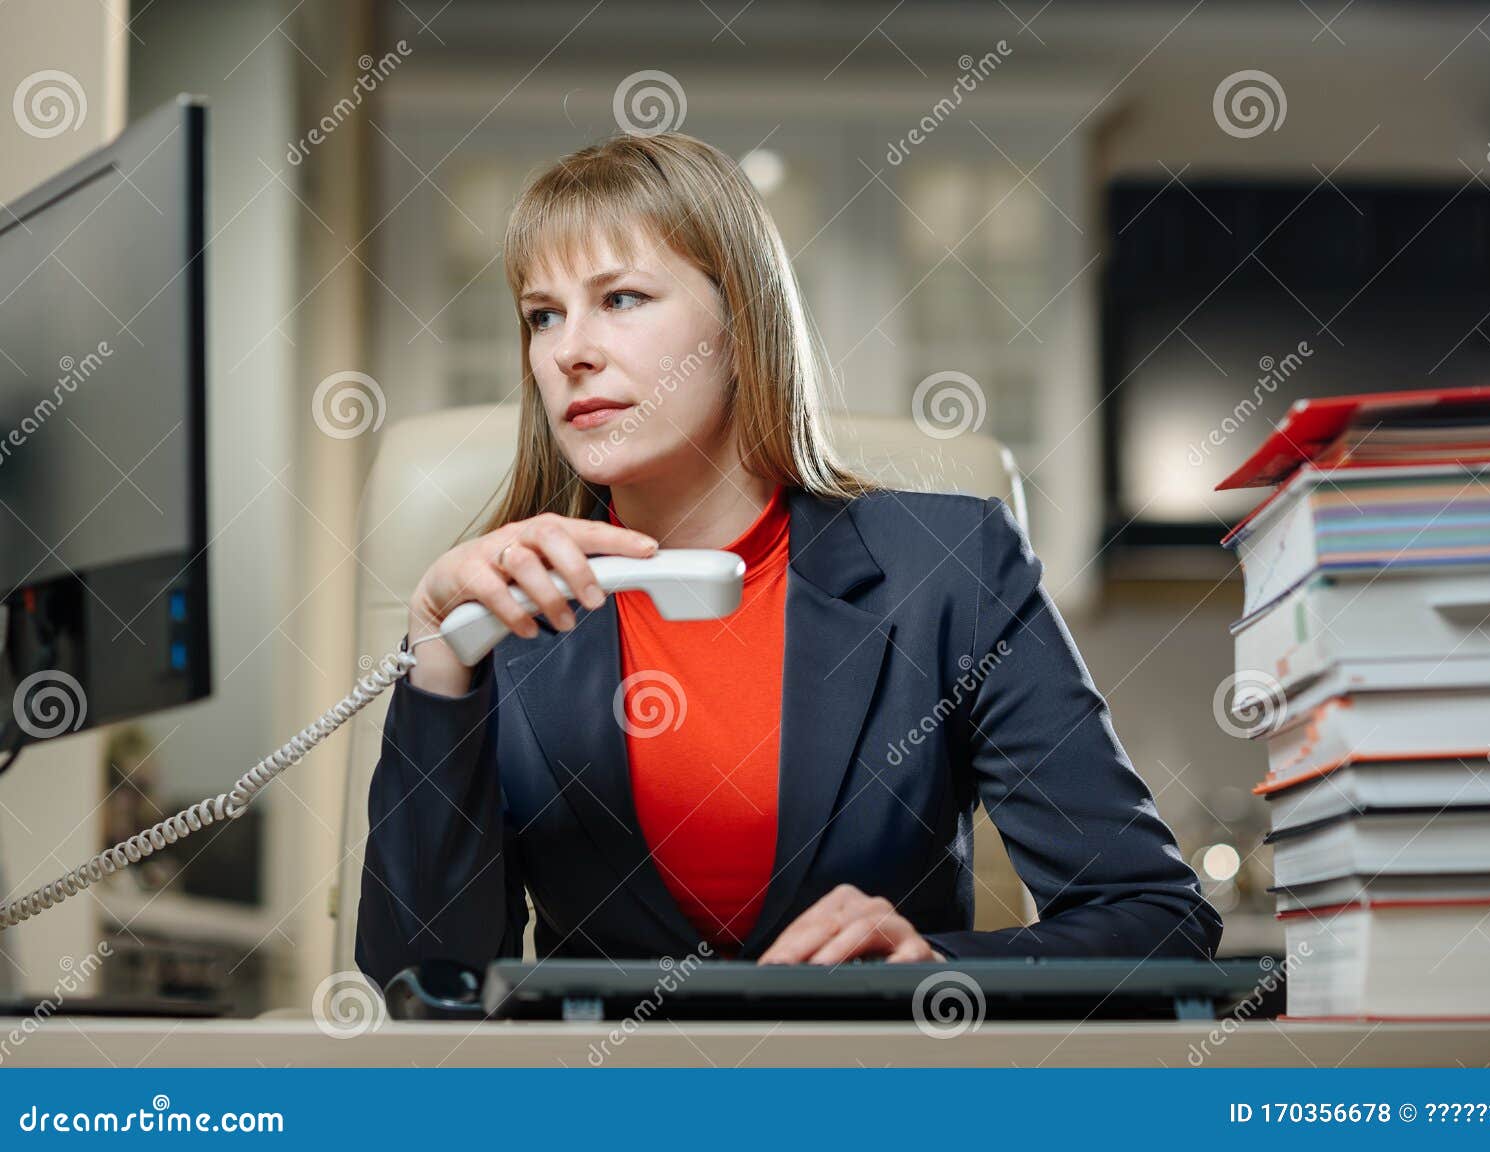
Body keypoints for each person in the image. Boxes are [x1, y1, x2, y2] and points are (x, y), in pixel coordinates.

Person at [354, 130, 1222, 987]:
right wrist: (439, 658)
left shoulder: (950, 567)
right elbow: (427, 980)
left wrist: (933, 966)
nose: (568, 350)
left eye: (620, 299)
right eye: (542, 315)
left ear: (742, 320)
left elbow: (1154, 915)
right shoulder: (501, 611)